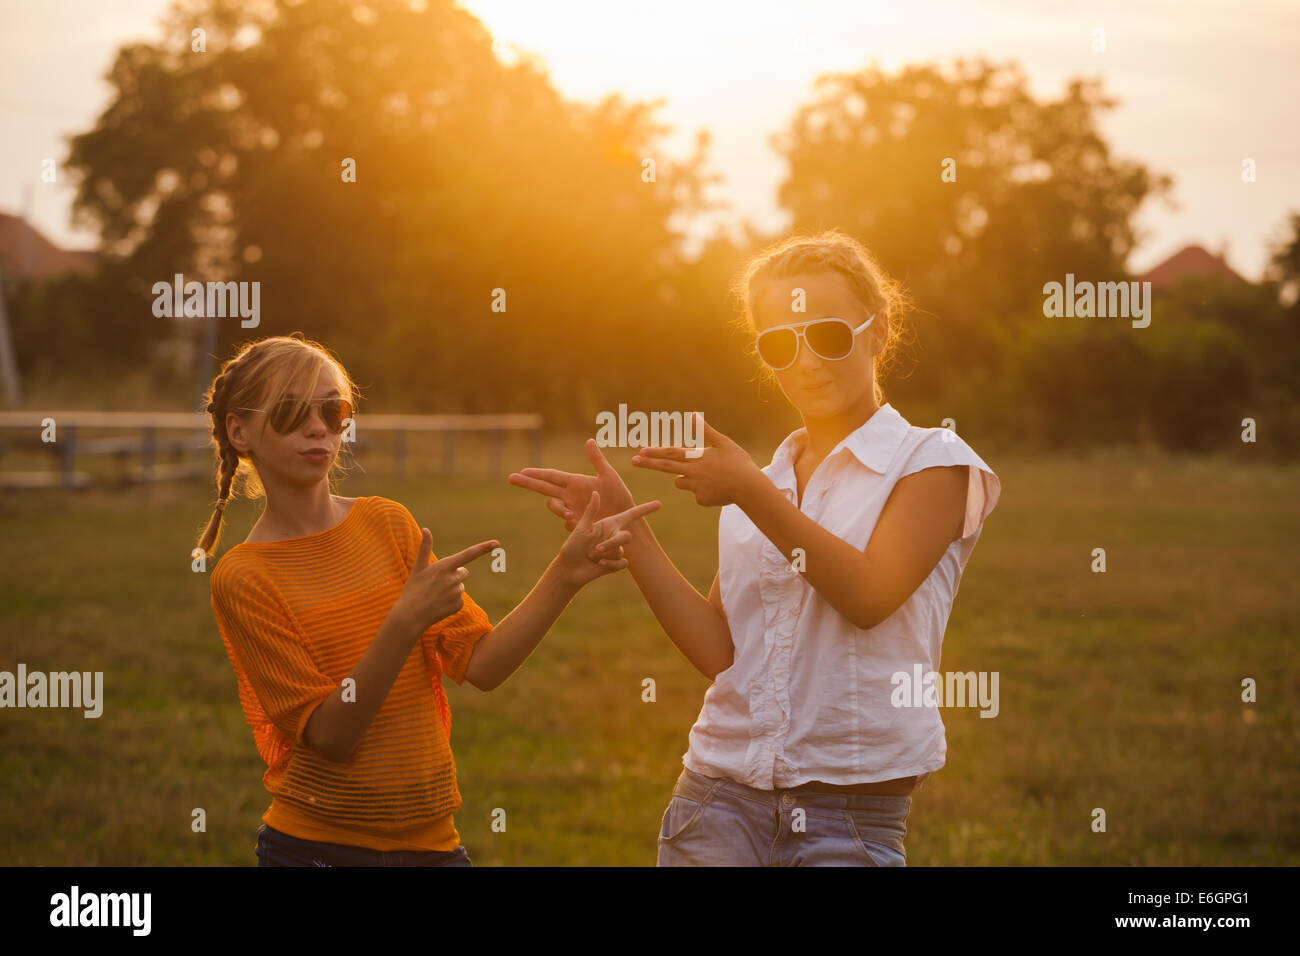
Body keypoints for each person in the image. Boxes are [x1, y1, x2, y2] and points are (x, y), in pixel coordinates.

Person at [509, 229, 1000, 865]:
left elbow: (870, 594)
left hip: (849, 818)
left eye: (827, 334)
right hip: (714, 800)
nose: (806, 360)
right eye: (779, 344)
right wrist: (630, 529)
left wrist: (747, 491)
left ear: (877, 334)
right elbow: (721, 650)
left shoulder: (932, 462)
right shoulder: (761, 484)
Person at [198, 333, 658, 866]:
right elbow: (330, 736)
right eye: (290, 410)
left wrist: (566, 575)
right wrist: (404, 622)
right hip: (316, 850)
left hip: (433, 845)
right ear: (239, 431)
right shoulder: (243, 576)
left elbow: (482, 665)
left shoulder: (386, 522)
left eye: (332, 409)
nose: (318, 425)